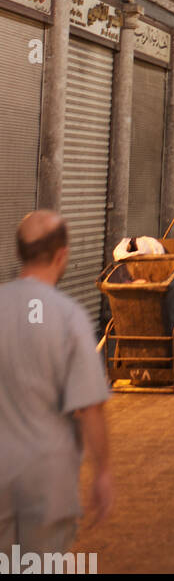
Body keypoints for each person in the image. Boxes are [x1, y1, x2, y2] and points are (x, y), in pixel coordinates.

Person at [0, 211, 113, 557]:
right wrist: (104, 472)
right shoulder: (68, 317)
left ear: (20, 252)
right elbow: (89, 408)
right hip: (48, 481)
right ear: (62, 255)